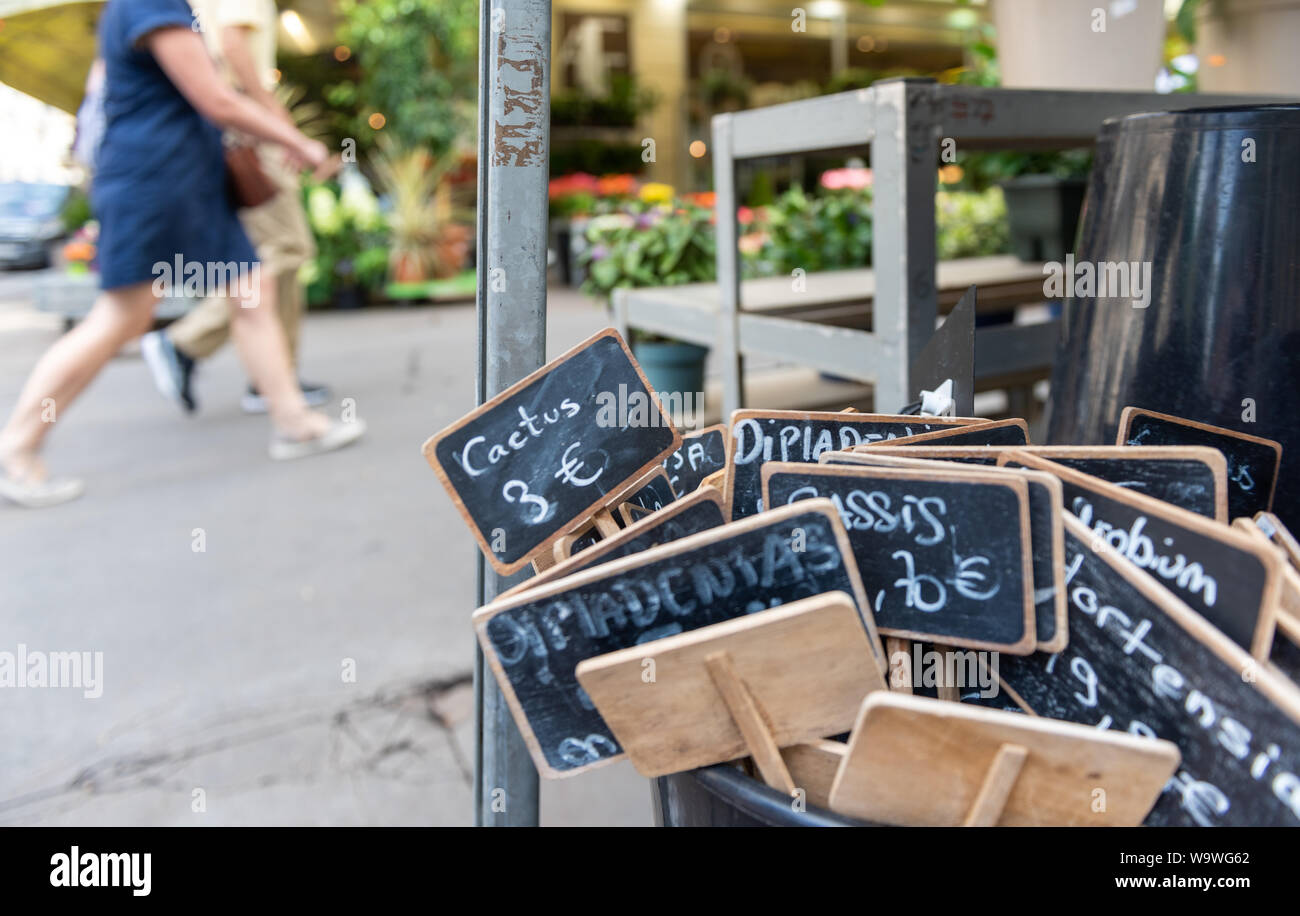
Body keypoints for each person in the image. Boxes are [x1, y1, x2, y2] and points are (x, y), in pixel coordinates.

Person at [0, 0, 364, 509]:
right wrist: (297, 141)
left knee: (250, 290)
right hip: (155, 182)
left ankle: (294, 422)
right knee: (122, 316)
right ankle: (17, 445)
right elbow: (215, 99)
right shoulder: (150, 3)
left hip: (186, 182)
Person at [141, 0, 327, 415]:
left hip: (235, 124)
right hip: (249, 123)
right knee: (286, 248)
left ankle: (275, 379)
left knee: (278, 255)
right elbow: (232, 44)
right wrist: (277, 119)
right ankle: (184, 341)